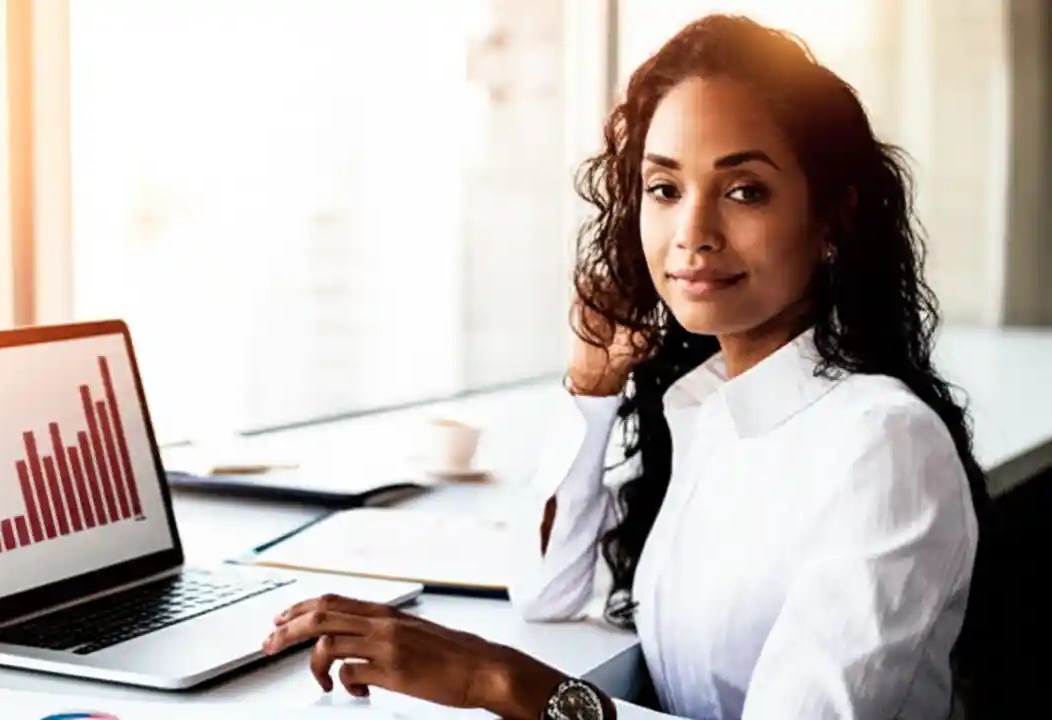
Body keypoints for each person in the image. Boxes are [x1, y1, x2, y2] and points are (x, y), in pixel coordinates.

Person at [261, 14, 989, 719]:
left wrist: (497, 679)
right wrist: (592, 388)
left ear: (834, 218)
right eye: (665, 189)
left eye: (744, 191)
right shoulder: (710, 409)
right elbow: (546, 588)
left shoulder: (881, 448)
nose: (692, 235)